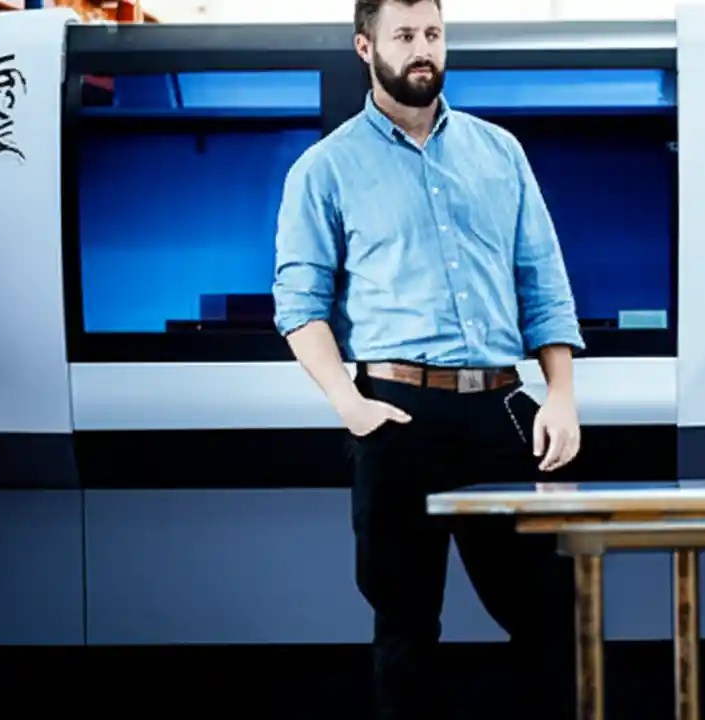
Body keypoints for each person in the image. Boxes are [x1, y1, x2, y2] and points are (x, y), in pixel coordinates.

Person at [271, 1, 582, 718]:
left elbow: (543, 281)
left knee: (550, 618)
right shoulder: (326, 168)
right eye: (405, 36)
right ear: (365, 46)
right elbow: (299, 303)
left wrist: (560, 395)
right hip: (397, 414)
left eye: (433, 34)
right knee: (407, 628)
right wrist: (350, 405)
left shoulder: (499, 152)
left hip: (504, 408)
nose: (422, 50)